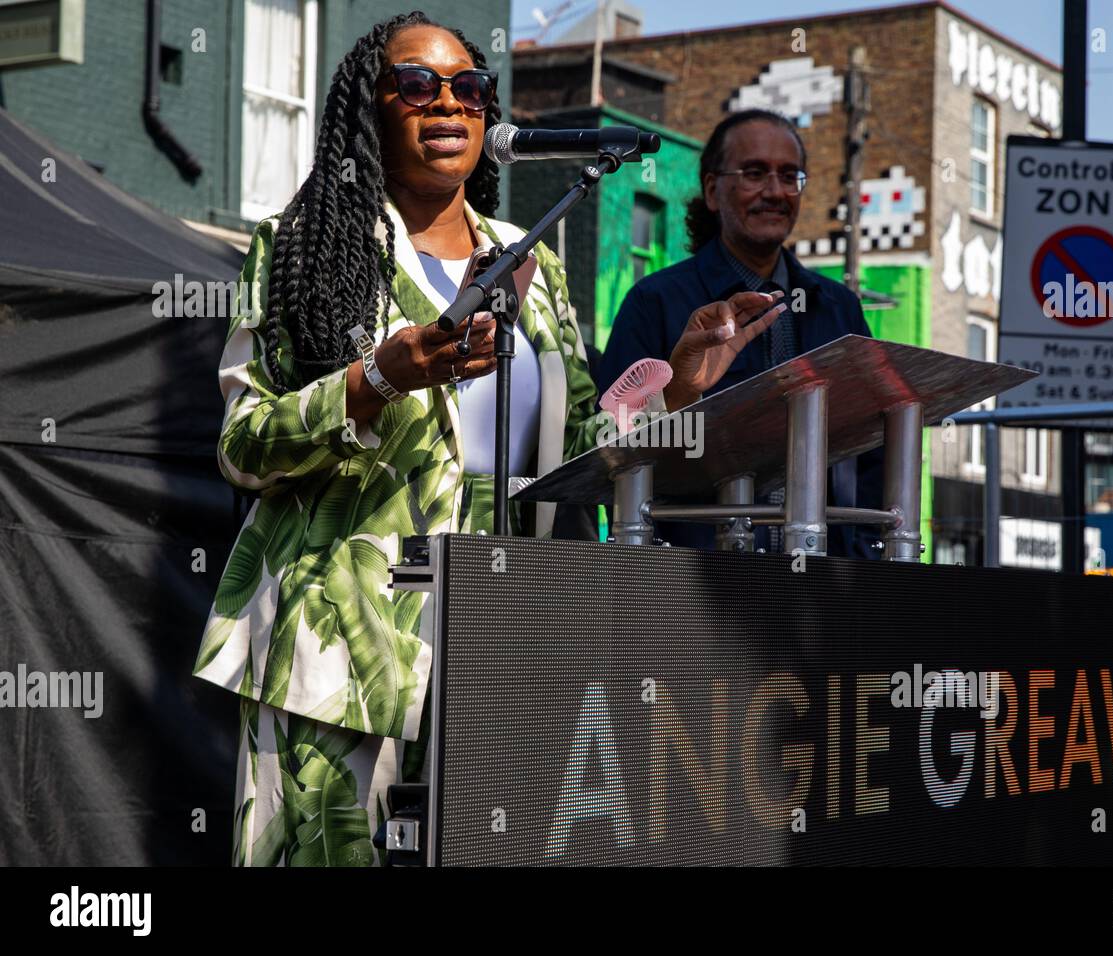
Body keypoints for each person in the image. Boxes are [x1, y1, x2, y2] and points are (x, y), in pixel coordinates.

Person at [194, 13, 784, 866]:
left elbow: (583, 449)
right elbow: (243, 445)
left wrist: (683, 383)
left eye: (468, 89)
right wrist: (382, 378)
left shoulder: (525, 260)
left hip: (504, 643)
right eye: (417, 85)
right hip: (340, 647)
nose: (448, 104)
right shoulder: (304, 249)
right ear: (371, 106)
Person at [598, 109, 885, 557]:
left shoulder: (837, 307)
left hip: (821, 578)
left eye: (790, 176)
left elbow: (874, 452)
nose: (774, 191)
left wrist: (865, 555)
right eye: (754, 173)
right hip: (694, 578)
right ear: (713, 190)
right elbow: (607, 445)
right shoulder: (656, 303)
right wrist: (677, 393)